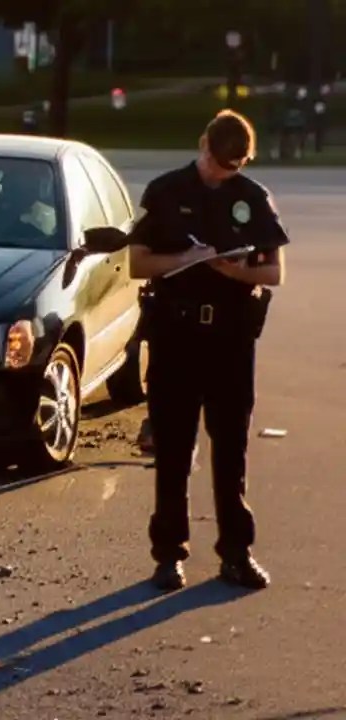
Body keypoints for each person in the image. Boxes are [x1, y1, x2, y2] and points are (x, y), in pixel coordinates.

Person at [128, 109, 288, 592]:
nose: (226, 173)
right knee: (174, 449)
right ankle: (169, 555)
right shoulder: (166, 191)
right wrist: (186, 259)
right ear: (203, 147)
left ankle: (236, 553)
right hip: (177, 337)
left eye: (236, 166)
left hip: (230, 341)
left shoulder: (253, 198)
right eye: (220, 163)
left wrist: (233, 271)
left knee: (232, 449)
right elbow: (137, 263)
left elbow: (274, 271)